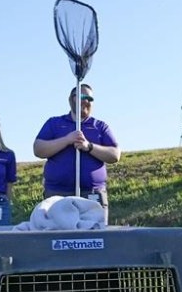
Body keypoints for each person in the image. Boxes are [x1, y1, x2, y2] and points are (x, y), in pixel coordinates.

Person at [33, 84, 120, 214]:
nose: (85, 101)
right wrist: (67, 140)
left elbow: (115, 154)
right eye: (81, 96)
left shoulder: (100, 127)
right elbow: (38, 149)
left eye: (89, 99)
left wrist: (89, 146)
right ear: (70, 99)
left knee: (93, 234)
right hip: (57, 195)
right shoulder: (54, 123)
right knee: (58, 234)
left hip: (92, 194)